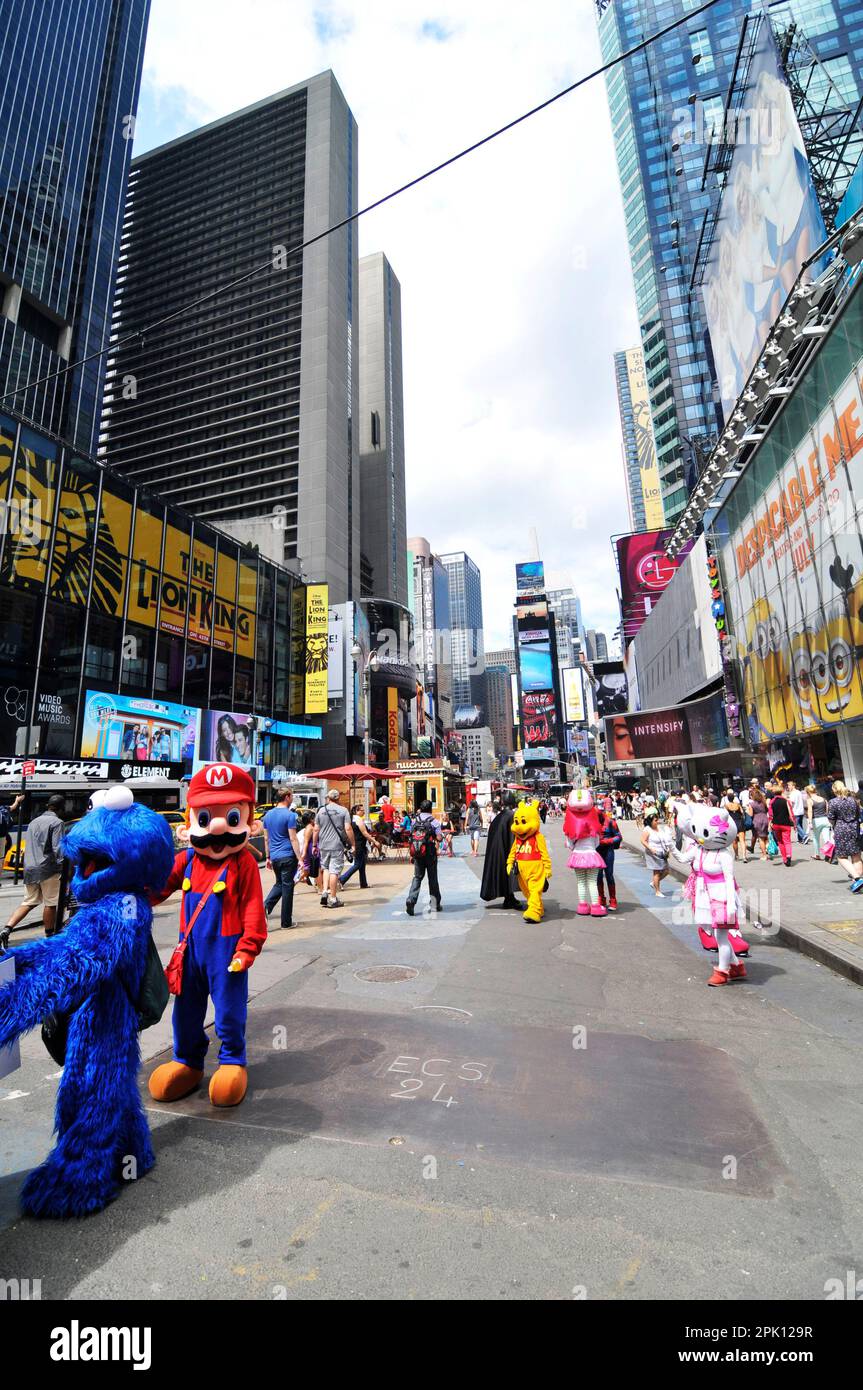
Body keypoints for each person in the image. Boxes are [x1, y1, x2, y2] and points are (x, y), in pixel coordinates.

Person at [2, 794, 67, 949]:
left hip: (30, 868)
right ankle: (49, 935)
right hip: (48, 869)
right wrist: (65, 867)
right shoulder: (57, 823)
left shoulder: (33, 822)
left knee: (29, 902)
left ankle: (6, 929)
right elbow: (58, 849)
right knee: (51, 904)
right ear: (61, 808)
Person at [262, 788, 302, 930]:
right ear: (287, 797)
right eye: (292, 795)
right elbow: (293, 838)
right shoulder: (290, 815)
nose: (292, 798)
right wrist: (300, 858)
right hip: (288, 856)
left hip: (275, 856)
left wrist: (268, 857)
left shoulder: (267, 816)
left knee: (280, 884)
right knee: (287, 888)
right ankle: (286, 922)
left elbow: (266, 839)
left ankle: (264, 908)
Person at [480, 791, 522, 909]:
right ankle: (509, 897)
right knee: (508, 873)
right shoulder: (511, 816)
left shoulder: (499, 816)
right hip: (506, 849)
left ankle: (509, 897)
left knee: (503, 874)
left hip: (497, 850)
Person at [314, 789, 356, 908]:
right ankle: (333, 898)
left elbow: (316, 829)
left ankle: (324, 892)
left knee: (325, 868)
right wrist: (353, 844)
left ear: (328, 798)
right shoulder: (343, 811)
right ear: (338, 798)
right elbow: (348, 828)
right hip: (337, 845)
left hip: (323, 845)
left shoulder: (321, 811)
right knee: (334, 871)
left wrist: (313, 845)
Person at [406, 800, 442, 915]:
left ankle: (411, 900)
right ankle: (435, 904)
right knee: (432, 878)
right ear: (430, 809)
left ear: (420, 808)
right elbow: (439, 838)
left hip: (417, 852)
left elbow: (411, 837)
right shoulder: (434, 821)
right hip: (430, 853)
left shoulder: (414, 821)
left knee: (417, 877)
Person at [827, 781, 863, 890]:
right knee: (856, 855)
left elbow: (831, 818)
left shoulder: (833, 802)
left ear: (834, 790)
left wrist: (834, 826)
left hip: (841, 829)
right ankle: (857, 881)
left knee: (841, 856)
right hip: (854, 828)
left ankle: (857, 878)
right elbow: (858, 814)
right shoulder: (853, 800)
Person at [340, 805, 374, 890]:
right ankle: (342, 879)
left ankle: (363, 883)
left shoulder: (351, 819)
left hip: (358, 844)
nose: (363, 812)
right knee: (357, 864)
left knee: (362, 865)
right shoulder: (358, 819)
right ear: (356, 811)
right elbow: (365, 833)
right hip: (359, 845)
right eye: (362, 810)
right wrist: (375, 841)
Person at [596, 803, 621, 912]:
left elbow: (619, 836)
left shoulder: (611, 822)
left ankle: (613, 899)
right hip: (596, 851)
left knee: (609, 874)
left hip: (608, 851)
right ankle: (601, 898)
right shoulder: (592, 822)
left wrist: (607, 841)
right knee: (598, 876)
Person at [641, 811, 672, 897]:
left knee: (666, 871)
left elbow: (664, 839)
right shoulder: (647, 829)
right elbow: (643, 840)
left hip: (662, 852)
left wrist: (667, 849)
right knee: (657, 872)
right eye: (655, 820)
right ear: (651, 821)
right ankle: (657, 891)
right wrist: (651, 848)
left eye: (657, 820)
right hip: (653, 853)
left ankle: (654, 882)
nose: (657, 821)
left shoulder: (660, 828)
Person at [768, 782, 794, 867]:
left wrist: (770, 824)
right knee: (787, 841)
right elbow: (791, 813)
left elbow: (770, 815)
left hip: (776, 824)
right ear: (781, 792)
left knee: (780, 842)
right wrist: (794, 823)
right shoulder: (786, 801)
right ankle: (789, 856)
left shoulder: (772, 802)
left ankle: (784, 859)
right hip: (786, 824)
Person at [721, 786, 747, 862]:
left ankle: (736, 855)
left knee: (734, 841)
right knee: (742, 840)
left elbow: (725, 815)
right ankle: (744, 856)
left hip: (732, 824)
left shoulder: (726, 806)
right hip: (740, 822)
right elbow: (742, 813)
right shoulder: (738, 805)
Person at [806, 783, 831, 860]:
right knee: (827, 838)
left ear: (808, 792)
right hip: (825, 819)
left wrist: (809, 822)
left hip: (816, 820)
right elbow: (827, 810)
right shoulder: (824, 799)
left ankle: (817, 855)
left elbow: (810, 811)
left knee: (816, 838)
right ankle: (829, 853)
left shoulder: (810, 800)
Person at [749, 787, 770, 859]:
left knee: (761, 839)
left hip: (757, 820)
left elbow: (751, 814)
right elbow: (767, 810)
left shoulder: (751, 804)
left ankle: (764, 855)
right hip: (765, 819)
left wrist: (747, 811)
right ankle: (769, 851)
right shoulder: (763, 802)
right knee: (766, 837)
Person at [0, 792, 23, 859]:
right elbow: (13, 807)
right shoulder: (3, 809)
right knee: (1, 857)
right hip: (2, 836)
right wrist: (17, 800)